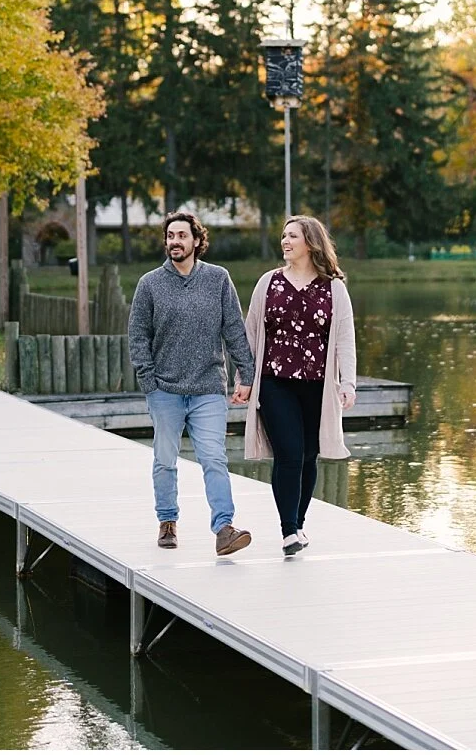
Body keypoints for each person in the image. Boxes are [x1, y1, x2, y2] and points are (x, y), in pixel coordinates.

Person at [127, 211, 254, 556]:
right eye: (170, 236)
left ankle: (224, 529)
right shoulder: (150, 284)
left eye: (182, 235)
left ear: (197, 241)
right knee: (165, 459)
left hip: (208, 388)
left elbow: (234, 329)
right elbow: (138, 336)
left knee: (214, 458)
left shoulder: (218, 279)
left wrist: (246, 374)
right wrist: (149, 382)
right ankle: (167, 521)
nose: (175, 242)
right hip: (164, 390)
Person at [242, 215, 356, 555]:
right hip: (274, 383)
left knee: (308, 456)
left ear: (311, 242)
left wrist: (348, 383)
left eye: (292, 236)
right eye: (284, 235)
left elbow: (345, 339)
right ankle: (288, 531)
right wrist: (244, 380)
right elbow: (250, 334)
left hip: (317, 386)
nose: (285, 241)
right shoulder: (269, 283)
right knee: (289, 453)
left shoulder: (334, 288)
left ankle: (299, 523)